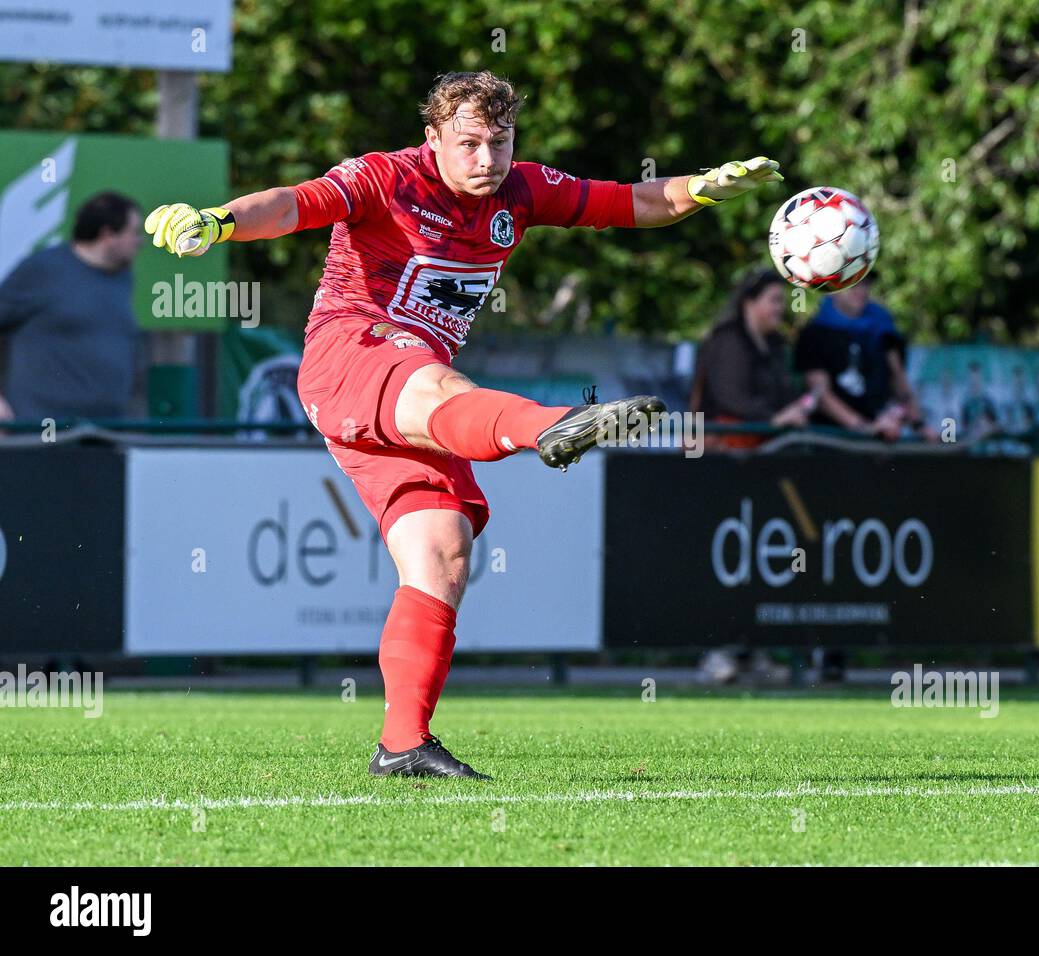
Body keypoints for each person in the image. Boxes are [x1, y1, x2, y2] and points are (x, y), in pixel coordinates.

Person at [144, 70, 783, 780]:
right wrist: (218, 221)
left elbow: (631, 201)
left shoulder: (523, 190)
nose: (487, 160)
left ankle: (402, 743)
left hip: (410, 397)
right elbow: (295, 204)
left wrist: (701, 188)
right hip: (350, 355)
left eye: (500, 143)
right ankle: (554, 425)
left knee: (443, 551)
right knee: (440, 383)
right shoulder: (386, 178)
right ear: (433, 140)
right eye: (469, 143)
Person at [0, 192, 144, 422]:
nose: (140, 241)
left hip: (107, 431)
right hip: (42, 431)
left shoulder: (122, 277)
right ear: (107, 235)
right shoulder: (44, 270)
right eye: (134, 233)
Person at [690, 267, 818, 449]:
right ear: (749, 302)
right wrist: (773, 418)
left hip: (764, 444)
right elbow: (730, 396)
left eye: (781, 301)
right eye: (774, 300)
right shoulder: (728, 339)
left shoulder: (776, 344)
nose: (780, 308)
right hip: (723, 445)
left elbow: (782, 390)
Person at [793, 273, 930, 440]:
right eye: (852, 284)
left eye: (865, 283)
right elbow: (819, 395)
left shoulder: (883, 329)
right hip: (831, 441)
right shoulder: (814, 334)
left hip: (881, 440)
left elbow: (899, 383)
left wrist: (920, 426)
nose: (861, 290)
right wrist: (864, 427)